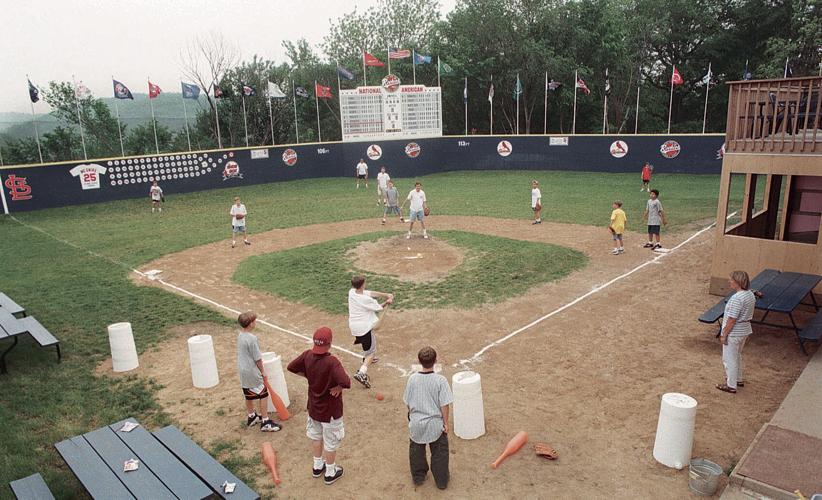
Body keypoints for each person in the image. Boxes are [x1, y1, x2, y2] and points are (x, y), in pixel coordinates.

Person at [287, 327, 350, 485]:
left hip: (314, 409)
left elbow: (291, 367)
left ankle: (317, 466)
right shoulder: (332, 361)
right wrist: (339, 387)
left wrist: (308, 376)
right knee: (331, 441)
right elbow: (346, 382)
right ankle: (330, 472)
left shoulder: (307, 355)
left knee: (316, 436)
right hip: (330, 411)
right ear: (330, 344)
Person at [403, 346, 453, 489]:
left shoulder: (412, 379)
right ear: (435, 361)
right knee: (440, 453)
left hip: (416, 424)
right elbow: (444, 405)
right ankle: (441, 481)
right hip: (435, 425)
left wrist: (412, 417)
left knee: (416, 451)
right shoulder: (440, 380)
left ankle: (418, 477)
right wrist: (446, 423)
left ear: (419, 362)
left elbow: (408, 402)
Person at [236, 311, 282, 432]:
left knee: (248, 393)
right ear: (251, 324)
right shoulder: (252, 339)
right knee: (263, 394)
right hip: (251, 371)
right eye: (254, 321)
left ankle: (252, 416)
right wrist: (263, 371)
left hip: (243, 370)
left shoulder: (240, 335)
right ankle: (265, 421)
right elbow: (257, 358)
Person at [348, 275, 393, 388]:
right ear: (363, 284)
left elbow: (370, 293)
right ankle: (361, 372)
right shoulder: (366, 300)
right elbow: (379, 308)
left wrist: (385, 295)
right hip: (364, 329)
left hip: (354, 327)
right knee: (371, 352)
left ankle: (366, 358)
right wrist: (388, 301)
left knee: (366, 343)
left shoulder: (351, 292)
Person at [716, 271, 756, 394]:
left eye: (732, 280)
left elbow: (732, 319)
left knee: (729, 359)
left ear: (738, 282)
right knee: (737, 355)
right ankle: (738, 379)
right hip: (744, 330)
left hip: (734, 332)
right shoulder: (749, 295)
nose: (730, 281)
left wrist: (724, 335)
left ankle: (731, 385)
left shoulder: (736, 299)